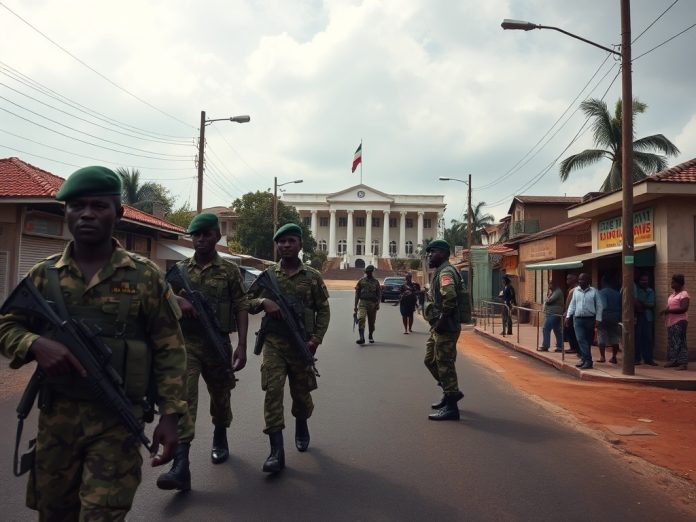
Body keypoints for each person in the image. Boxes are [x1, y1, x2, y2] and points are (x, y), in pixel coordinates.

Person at [0, 166, 186, 521]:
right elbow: (6, 325)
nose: (87, 214)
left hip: (117, 420)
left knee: (101, 516)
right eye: (77, 206)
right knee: (54, 514)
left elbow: (170, 349)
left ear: (118, 213)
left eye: (98, 206)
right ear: (65, 212)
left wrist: (172, 416)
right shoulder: (43, 274)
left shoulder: (145, 276)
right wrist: (35, 343)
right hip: (57, 420)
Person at [156, 213, 249, 491]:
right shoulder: (180, 269)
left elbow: (241, 305)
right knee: (185, 400)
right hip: (186, 344)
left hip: (218, 343)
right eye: (195, 235)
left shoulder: (230, 271)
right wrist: (177, 298)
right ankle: (181, 466)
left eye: (206, 234)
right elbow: (158, 294)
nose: (200, 239)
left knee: (221, 397)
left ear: (216, 236)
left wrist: (242, 345)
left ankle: (220, 434)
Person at [247, 223, 330, 473]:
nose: (285, 245)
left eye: (290, 241)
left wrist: (316, 339)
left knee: (301, 394)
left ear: (300, 244)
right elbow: (245, 301)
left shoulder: (312, 276)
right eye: (281, 242)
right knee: (272, 391)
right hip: (274, 343)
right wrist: (263, 302)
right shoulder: (267, 276)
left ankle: (301, 422)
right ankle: (276, 451)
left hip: (302, 343)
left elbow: (323, 310)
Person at [423, 240, 464, 421]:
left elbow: (450, 298)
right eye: (429, 252)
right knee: (430, 360)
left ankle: (452, 407)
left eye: (433, 252)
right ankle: (450, 392)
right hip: (439, 326)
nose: (430, 255)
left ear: (444, 253)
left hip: (446, 327)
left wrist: (441, 321)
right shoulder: (440, 271)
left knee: (445, 364)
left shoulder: (446, 272)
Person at [565, 273, 603, 370]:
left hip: (590, 319)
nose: (580, 282)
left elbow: (599, 306)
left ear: (588, 281)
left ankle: (584, 359)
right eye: (579, 280)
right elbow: (572, 305)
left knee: (588, 341)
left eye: (583, 280)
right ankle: (588, 360)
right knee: (581, 339)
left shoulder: (594, 291)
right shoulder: (576, 291)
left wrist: (598, 319)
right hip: (578, 319)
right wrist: (568, 316)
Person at [660, 273, 690, 370]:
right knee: (672, 342)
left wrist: (668, 311)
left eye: (674, 282)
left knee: (680, 342)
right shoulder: (673, 294)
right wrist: (666, 312)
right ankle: (674, 360)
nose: (671, 283)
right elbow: (671, 306)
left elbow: (684, 308)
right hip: (671, 322)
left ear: (679, 283)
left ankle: (683, 363)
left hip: (680, 321)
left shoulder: (684, 294)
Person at [354, 265, 381, 344]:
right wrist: (355, 306)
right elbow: (357, 294)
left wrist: (378, 303)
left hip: (373, 304)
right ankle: (361, 338)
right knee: (361, 318)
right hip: (363, 303)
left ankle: (370, 335)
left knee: (371, 322)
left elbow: (379, 294)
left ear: (372, 272)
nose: (368, 273)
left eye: (369, 272)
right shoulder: (361, 281)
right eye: (367, 272)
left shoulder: (376, 282)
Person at [634, 272, 657, 365]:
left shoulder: (650, 291)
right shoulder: (637, 290)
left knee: (648, 338)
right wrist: (641, 304)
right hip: (638, 316)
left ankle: (648, 359)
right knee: (637, 338)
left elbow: (651, 304)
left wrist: (641, 303)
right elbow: (635, 302)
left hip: (647, 317)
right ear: (639, 281)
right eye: (642, 280)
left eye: (646, 280)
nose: (644, 282)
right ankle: (637, 358)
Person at [597, 275, 621, 364]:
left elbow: (603, 305)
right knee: (614, 336)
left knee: (601, 335)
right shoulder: (617, 293)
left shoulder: (601, 292)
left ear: (604, 282)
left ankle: (602, 356)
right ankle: (614, 357)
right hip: (615, 316)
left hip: (604, 316)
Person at [539, 278, 564, 352]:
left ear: (555, 284)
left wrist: (546, 299)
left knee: (546, 328)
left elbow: (549, 300)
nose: (549, 285)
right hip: (552, 314)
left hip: (554, 314)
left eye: (551, 283)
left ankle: (545, 346)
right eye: (549, 283)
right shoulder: (553, 292)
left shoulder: (557, 291)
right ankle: (560, 347)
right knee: (557, 330)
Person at [563, 273, 581, 357]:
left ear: (574, 279)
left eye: (569, 279)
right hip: (569, 313)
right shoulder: (570, 289)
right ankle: (572, 347)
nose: (567, 281)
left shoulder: (576, 289)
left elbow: (572, 303)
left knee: (572, 332)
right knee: (569, 331)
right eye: (567, 279)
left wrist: (568, 313)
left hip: (573, 314)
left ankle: (575, 348)